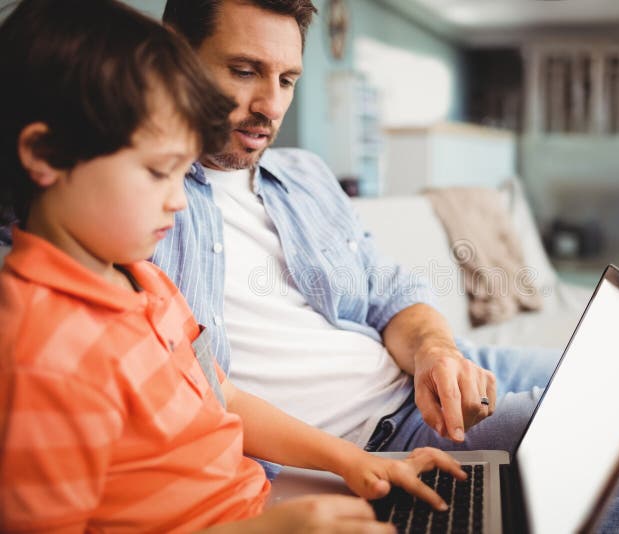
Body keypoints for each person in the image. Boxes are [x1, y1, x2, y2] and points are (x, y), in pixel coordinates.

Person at [152, 0, 619, 531]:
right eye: (244, 70)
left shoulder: (302, 175)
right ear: (171, 55)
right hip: (387, 440)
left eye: (287, 79)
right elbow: (198, 392)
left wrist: (435, 350)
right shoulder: (141, 205)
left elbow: (391, 291)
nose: (271, 104)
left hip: (439, 380)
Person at [0, 1, 467, 532]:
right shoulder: (40, 352)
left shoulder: (144, 283)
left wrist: (354, 462)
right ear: (43, 154)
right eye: (158, 172)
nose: (180, 202)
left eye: (184, 173)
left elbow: (226, 397)